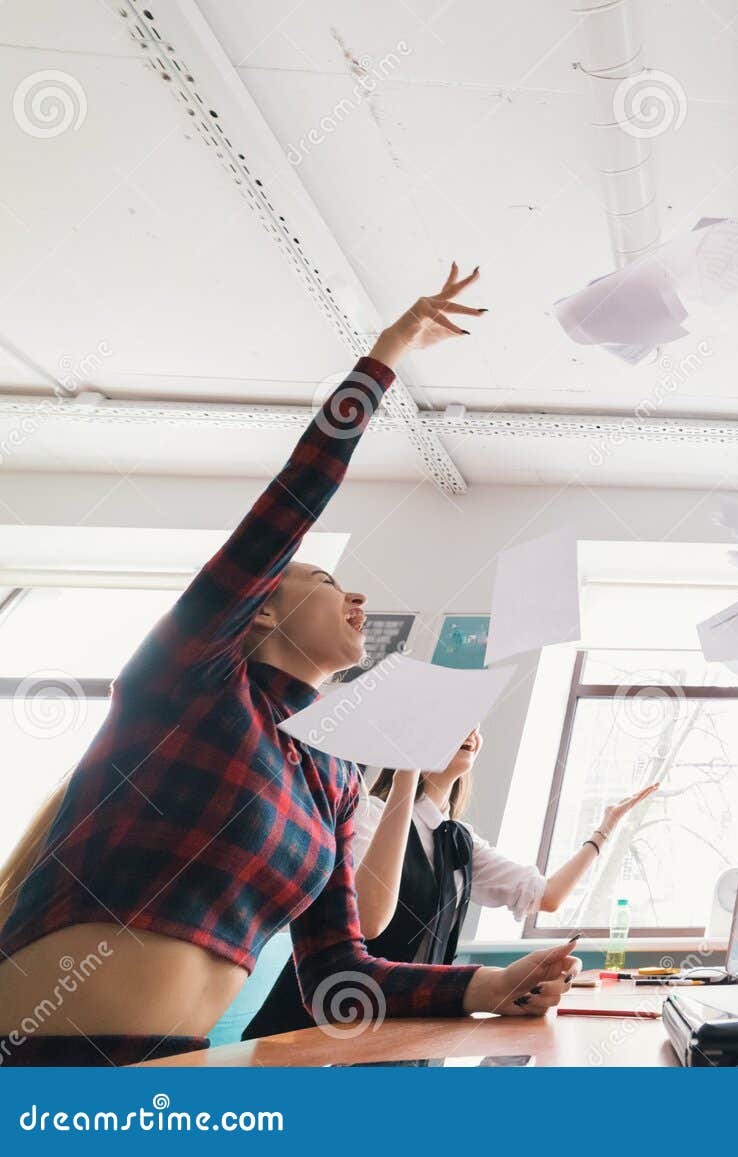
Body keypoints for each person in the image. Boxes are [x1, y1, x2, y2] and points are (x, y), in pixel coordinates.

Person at [0, 266, 579, 1066]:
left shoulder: (333, 776)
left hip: (178, 1067)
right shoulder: (192, 678)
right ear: (260, 607)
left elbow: (339, 971)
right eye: (327, 580)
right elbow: (292, 500)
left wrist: (486, 986)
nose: (358, 594)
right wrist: (387, 353)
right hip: (43, 1066)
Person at [243, 730, 657, 1039]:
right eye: (455, 723)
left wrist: (604, 830)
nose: (471, 732)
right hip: (310, 1031)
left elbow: (546, 896)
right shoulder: (367, 813)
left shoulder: (458, 841)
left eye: (475, 724)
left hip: (401, 1025)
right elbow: (370, 920)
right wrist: (407, 772)